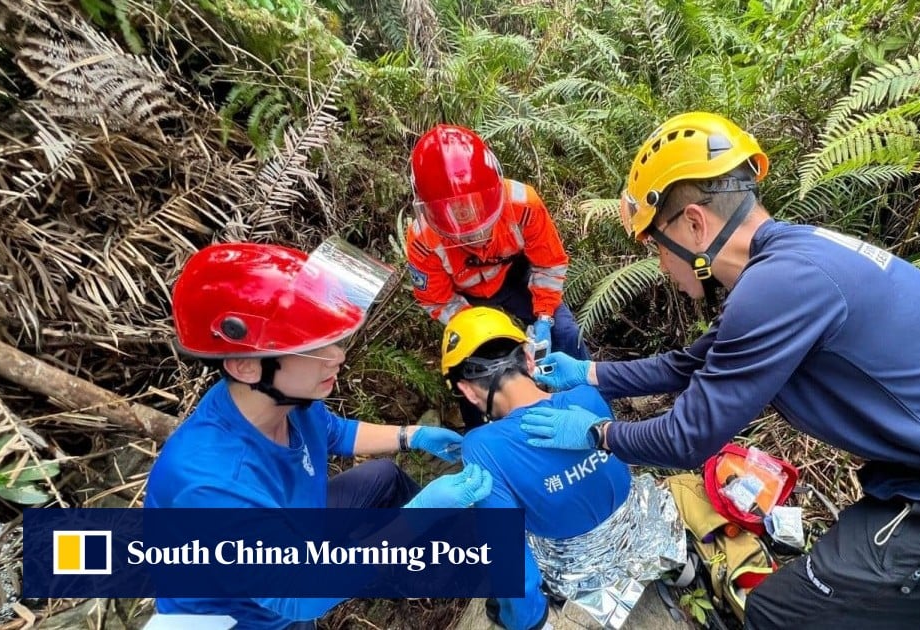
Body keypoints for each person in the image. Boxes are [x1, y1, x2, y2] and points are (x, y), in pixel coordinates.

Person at [517, 113, 920, 628]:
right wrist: (591, 375)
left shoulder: (778, 287)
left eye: (655, 244)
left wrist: (596, 435)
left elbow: (688, 439)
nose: (659, 262)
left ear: (694, 226)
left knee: (779, 614)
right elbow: (693, 362)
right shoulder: (796, 256)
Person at [145, 238, 494, 630]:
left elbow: (333, 431)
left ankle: (438, 570)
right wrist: (418, 516)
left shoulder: (282, 399)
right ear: (246, 367)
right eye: (315, 347)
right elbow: (299, 594)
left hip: (294, 527)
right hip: (255, 614)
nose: (338, 356)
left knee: (382, 477)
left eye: (333, 339)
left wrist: (410, 436)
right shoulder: (208, 485)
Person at [441, 307, 682, 630]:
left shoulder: (481, 447)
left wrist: (531, 621)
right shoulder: (585, 393)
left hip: (575, 564)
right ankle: (681, 569)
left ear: (468, 391)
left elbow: (510, 556)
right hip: (641, 526)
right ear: (529, 359)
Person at [405, 123, 590, 430]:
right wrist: (487, 331)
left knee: (566, 332)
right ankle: (487, 437)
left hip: (516, 279)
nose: (476, 237)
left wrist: (543, 318)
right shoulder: (423, 239)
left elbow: (549, 264)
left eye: (482, 223)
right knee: (469, 366)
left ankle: (587, 400)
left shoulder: (522, 204)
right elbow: (436, 300)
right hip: (467, 301)